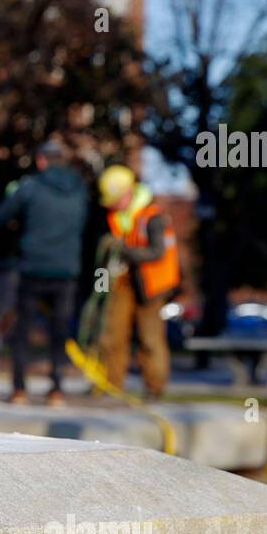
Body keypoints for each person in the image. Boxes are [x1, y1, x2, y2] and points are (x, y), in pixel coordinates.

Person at [0, 138, 87, 406]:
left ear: (41, 161)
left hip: (33, 268)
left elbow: (1, 217)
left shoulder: (30, 187)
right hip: (67, 270)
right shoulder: (79, 188)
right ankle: (56, 389)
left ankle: (19, 389)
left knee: (22, 330)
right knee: (59, 330)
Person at [96, 164, 180, 398]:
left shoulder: (153, 218)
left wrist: (125, 250)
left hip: (152, 287)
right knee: (113, 336)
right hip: (124, 283)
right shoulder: (116, 218)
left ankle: (155, 390)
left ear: (128, 192)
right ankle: (110, 387)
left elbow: (157, 252)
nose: (112, 203)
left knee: (150, 340)